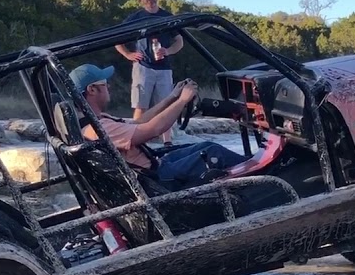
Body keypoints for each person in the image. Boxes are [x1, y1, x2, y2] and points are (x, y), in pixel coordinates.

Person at [68, 63, 249, 190]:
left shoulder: (98, 120)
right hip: (156, 179)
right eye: (105, 84)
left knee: (206, 146)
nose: (110, 87)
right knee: (214, 153)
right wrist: (184, 100)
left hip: (155, 166)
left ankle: (253, 171)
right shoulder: (98, 129)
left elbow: (140, 122)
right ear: (92, 89)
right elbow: (153, 129)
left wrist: (172, 97)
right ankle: (263, 183)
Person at [114, 0, 185, 144]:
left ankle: (167, 142)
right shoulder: (135, 18)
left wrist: (167, 51)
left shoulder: (167, 17)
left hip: (164, 68)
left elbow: (179, 41)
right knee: (140, 105)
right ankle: (136, 143)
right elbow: (117, 39)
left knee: (166, 106)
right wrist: (128, 54)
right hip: (142, 67)